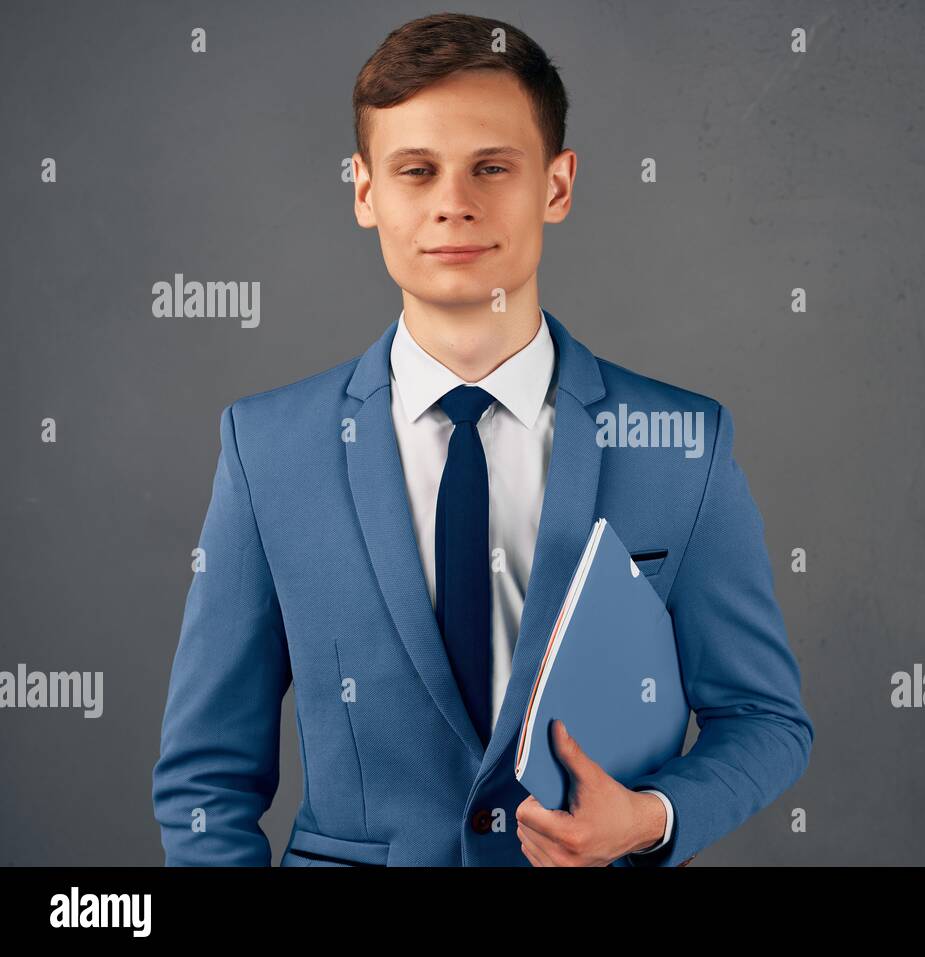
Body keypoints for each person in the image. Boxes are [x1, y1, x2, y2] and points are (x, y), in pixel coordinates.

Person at [152, 11, 813, 867]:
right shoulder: (266, 448)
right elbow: (207, 775)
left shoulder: (682, 442)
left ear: (558, 185)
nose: (453, 205)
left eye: (491, 167)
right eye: (416, 170)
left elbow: (764, 719)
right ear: (364, 192)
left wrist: (652, 815)